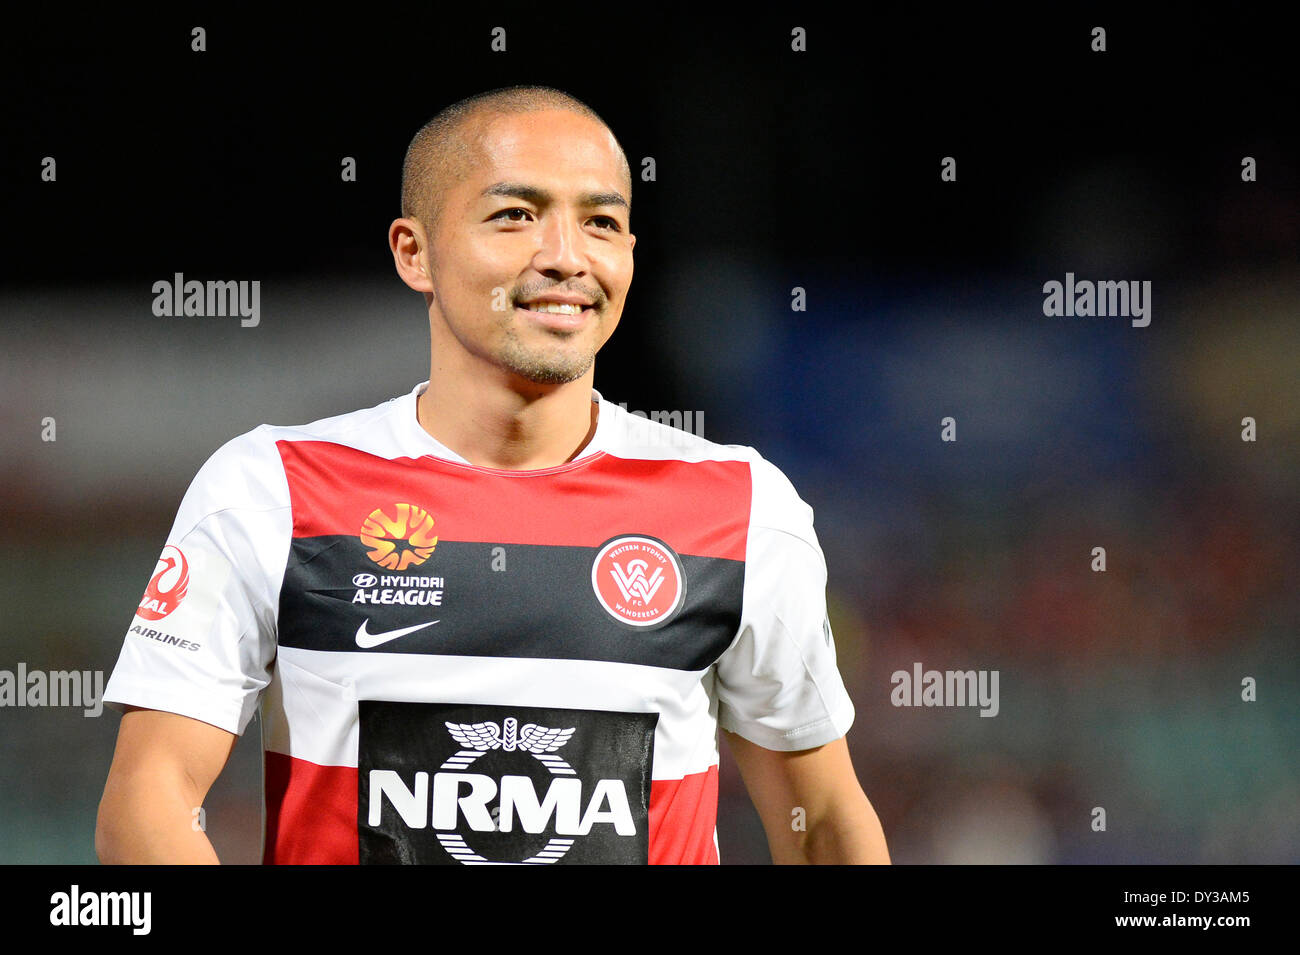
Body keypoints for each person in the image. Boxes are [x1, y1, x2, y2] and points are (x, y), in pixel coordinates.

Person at [95, 85, 891, 865]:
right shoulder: (274, 486)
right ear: (415, 253)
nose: (565, 256)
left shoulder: (739, 505)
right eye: (515, 215)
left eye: (601, 222)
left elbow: (821, 819)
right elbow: (149, 802)